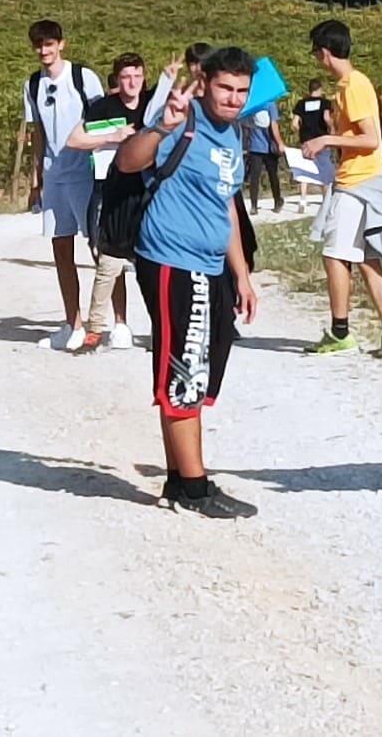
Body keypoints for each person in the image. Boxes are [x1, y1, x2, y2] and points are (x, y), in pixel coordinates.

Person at [117, 48, 262, 519]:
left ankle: (179, 478)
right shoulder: (184, 118)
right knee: (184, 372)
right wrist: (160, 125)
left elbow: (227, 207)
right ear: (205, 81)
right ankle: (195, 489)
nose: (234, 98)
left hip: (209, 265)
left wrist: (241, 274)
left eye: (242, 91)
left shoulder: (232, 134)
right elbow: (128, 162)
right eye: (226, 88)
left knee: (193, 368)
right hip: (172, 262)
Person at [300, 20, 382, 357]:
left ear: (323, 52)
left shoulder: (351, 85)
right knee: (366, 258)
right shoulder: (356, 83)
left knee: (335, 253)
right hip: (365, 179)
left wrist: (325, 139)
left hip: (355, 182)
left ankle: (340, 331)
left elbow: (370, 138)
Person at [66, 52, 175, 351]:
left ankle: (161, 332)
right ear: (117, 79)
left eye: (137, 76)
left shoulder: (155, 103)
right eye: (126, 77)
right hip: (111, 191)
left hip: (149, 193)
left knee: (153, 265)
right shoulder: (103, 107)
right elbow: (74, 141)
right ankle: (97, 330)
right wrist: (113, 137)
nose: (132, 83)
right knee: (108, 263)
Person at [23, 19, 107, 351]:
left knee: (101, 249)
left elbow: (103, 121)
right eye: (39, 45)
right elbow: (38, 133)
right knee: (61, 250)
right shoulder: (32, 84)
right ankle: (73, 324)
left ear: (62, 44)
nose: (44, 51)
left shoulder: (83, 78)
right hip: (54, 175)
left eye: (49, 44)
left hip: (85, 173)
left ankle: (110, 323)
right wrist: (36, 180)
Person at [241, 95, 286, 215]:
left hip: (255, 146)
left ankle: (254, 206)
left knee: (254, 177)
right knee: (273, 175)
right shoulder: (270, 105)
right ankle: (277, 202)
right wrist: (280, 142)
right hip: (269, 147)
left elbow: (245, 124)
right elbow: (274, 126)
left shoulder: (252, 106)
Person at [293, 79, 336, 200]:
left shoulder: (301, 103)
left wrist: (301, 133)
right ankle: (326, 198)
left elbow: (295, 123)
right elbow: (326, 118)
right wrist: (332, 129)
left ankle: (303, 199)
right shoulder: (325, 102)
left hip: (306, 140)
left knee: (305, 168)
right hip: (321, 140)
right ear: (320, 89)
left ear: (309, 90)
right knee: (325, 168)